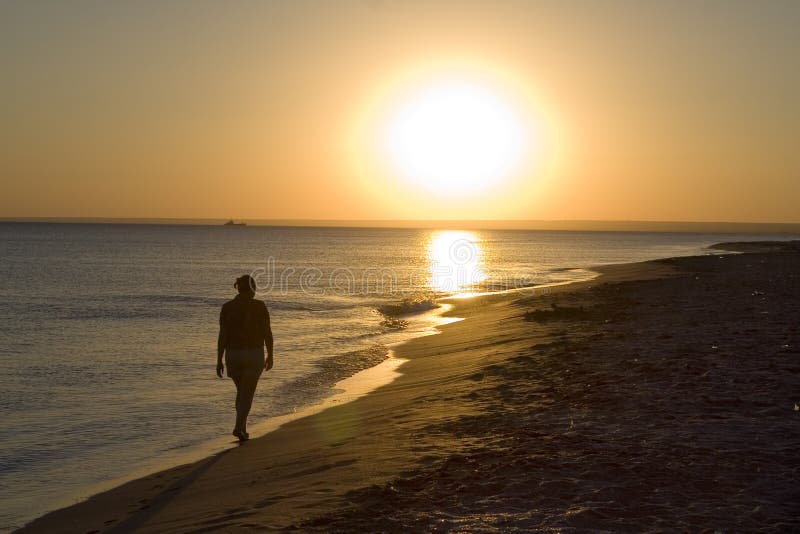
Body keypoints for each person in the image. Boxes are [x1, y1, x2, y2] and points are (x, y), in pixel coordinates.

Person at [217, 274, 274, 441]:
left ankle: (242, 428)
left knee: (242, 393)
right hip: (253, 353)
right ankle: (238, 427)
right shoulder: (259, 306)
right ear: (253, 289)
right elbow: (267, 333)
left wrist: (219, 359)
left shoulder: (227, 307)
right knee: (247, 394)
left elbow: (223, 336)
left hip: (233, 355)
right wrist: (270, 354)